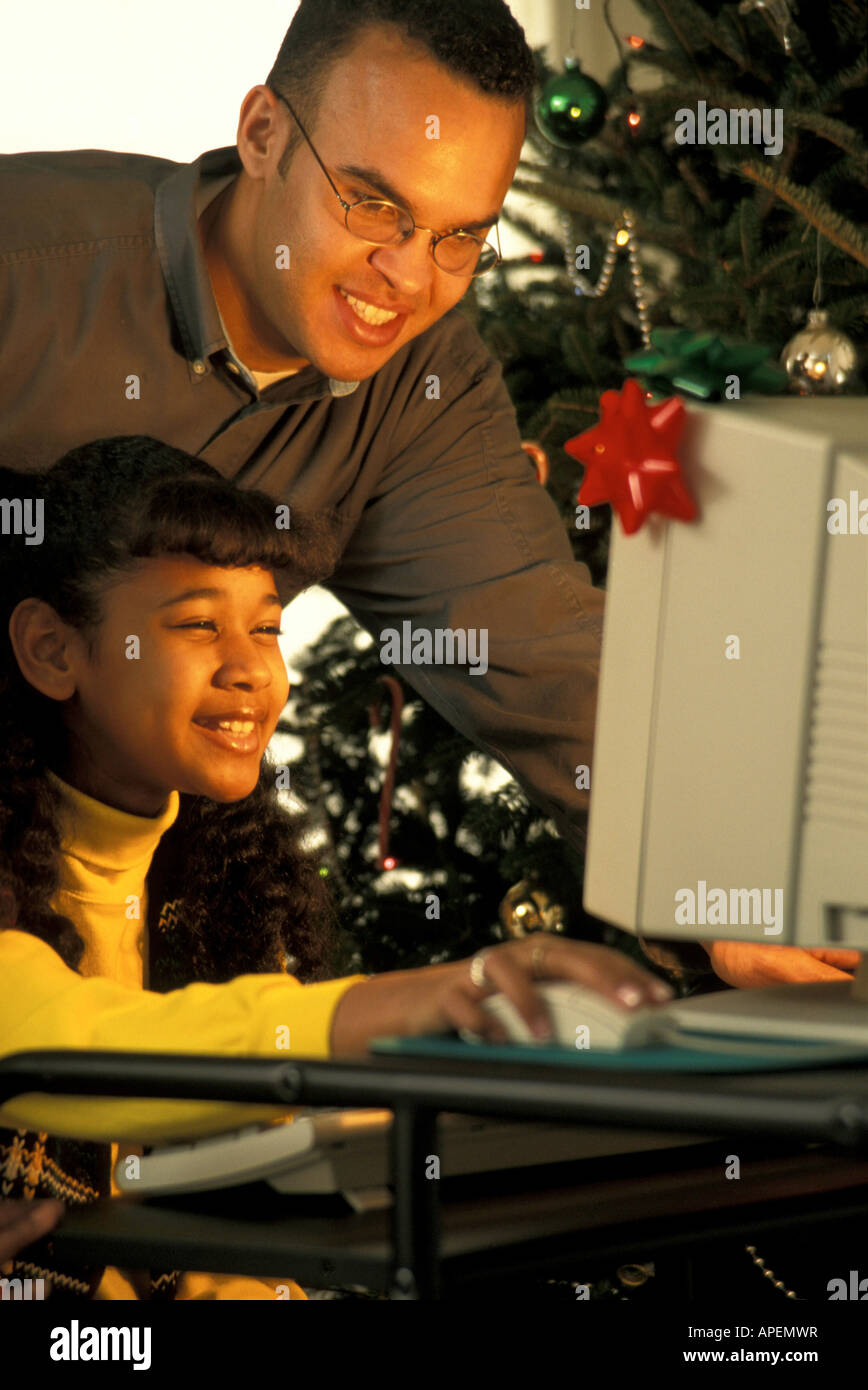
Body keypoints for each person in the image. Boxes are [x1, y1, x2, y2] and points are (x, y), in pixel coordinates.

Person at [0, 6, 849, 1013]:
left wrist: (743, 882)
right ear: (263, 132)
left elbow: (542, 654)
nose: (407, 278)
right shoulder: (25, 269)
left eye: (460, 237)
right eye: (371, 205)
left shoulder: (423, 392)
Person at [0, 436, 673, 1301]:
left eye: (268, 627)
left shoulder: (231, 882)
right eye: (199, 624)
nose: (251, 671)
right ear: (53, 651)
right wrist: (439, 996)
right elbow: (58, 1041)